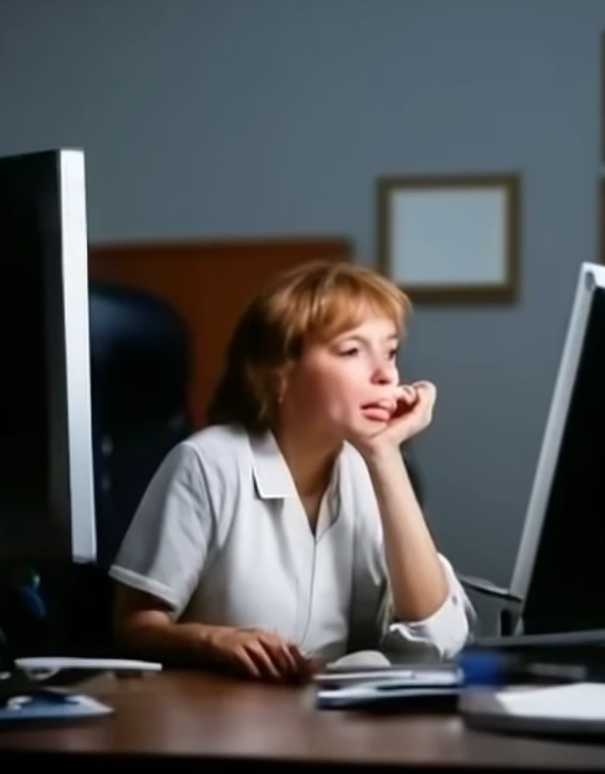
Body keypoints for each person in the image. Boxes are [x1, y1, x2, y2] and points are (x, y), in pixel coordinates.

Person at [109, 260, 475, 682]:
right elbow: (134, 627)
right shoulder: (207, 464)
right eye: (352, 351)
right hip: (218, 723)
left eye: (390, 351)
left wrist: (384, 452)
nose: (386, 374)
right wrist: (211, 640)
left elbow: (438, 638)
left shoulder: (371, 470)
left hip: (331, 727)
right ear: (279, 374)